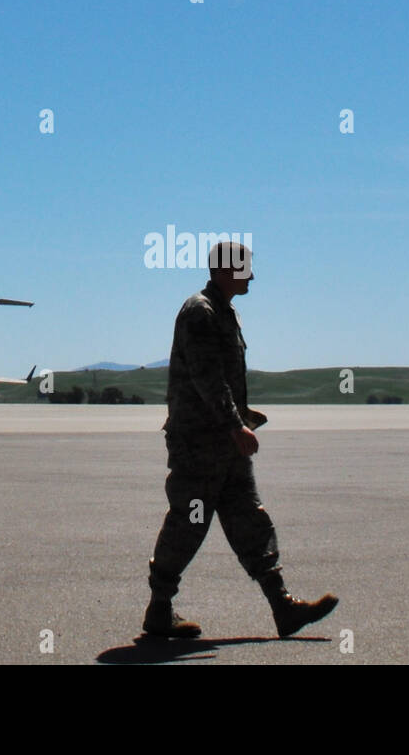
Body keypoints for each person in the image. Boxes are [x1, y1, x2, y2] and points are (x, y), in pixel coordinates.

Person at [143, 240, 338, 639]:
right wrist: (235, 424)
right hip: (199, 444)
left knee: (249, 517)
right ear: (222, 271)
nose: (250, 276)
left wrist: (238, 424)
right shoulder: (201, 312)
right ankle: (159, 609)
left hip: (224, 444)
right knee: (189, 522)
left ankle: (282, 606)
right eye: (243, 268)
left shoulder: (224, 313)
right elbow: (206, 377)